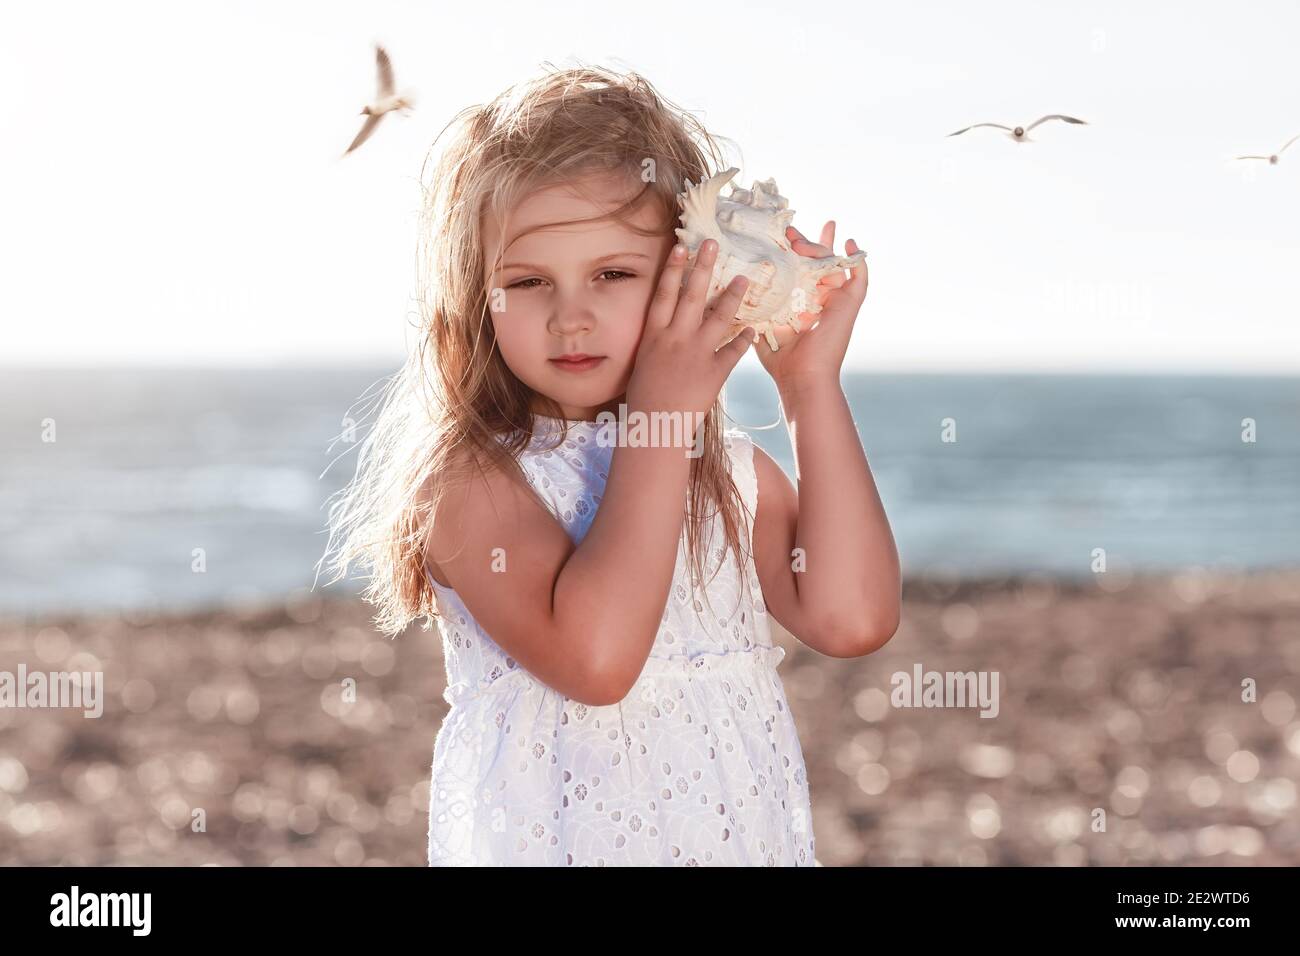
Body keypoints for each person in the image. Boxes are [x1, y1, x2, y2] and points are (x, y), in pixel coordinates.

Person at [319, 63, 901, 866]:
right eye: (526, 283)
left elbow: (852, 617)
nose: (571, 316)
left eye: (613, 274)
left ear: (689, 269)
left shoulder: (720, 474)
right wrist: (663, 415)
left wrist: (808, 389)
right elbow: (597, 662)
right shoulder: (472, 485)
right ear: (474, 303)